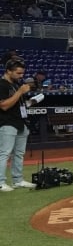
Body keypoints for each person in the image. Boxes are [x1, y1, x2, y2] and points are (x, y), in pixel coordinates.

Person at [0, 58, 37, 191]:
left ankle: (18, 180)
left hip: (20, 122)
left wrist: (30, 102)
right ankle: (0, 182)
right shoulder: (2, 84)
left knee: (19, 153)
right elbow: (4, 105)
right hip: (7, 122)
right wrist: (20, 92)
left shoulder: (16, 84)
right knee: (4, 153)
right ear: (9, 71)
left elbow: (18, 104)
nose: (21, 76)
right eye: (18, 73)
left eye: (22, 73)